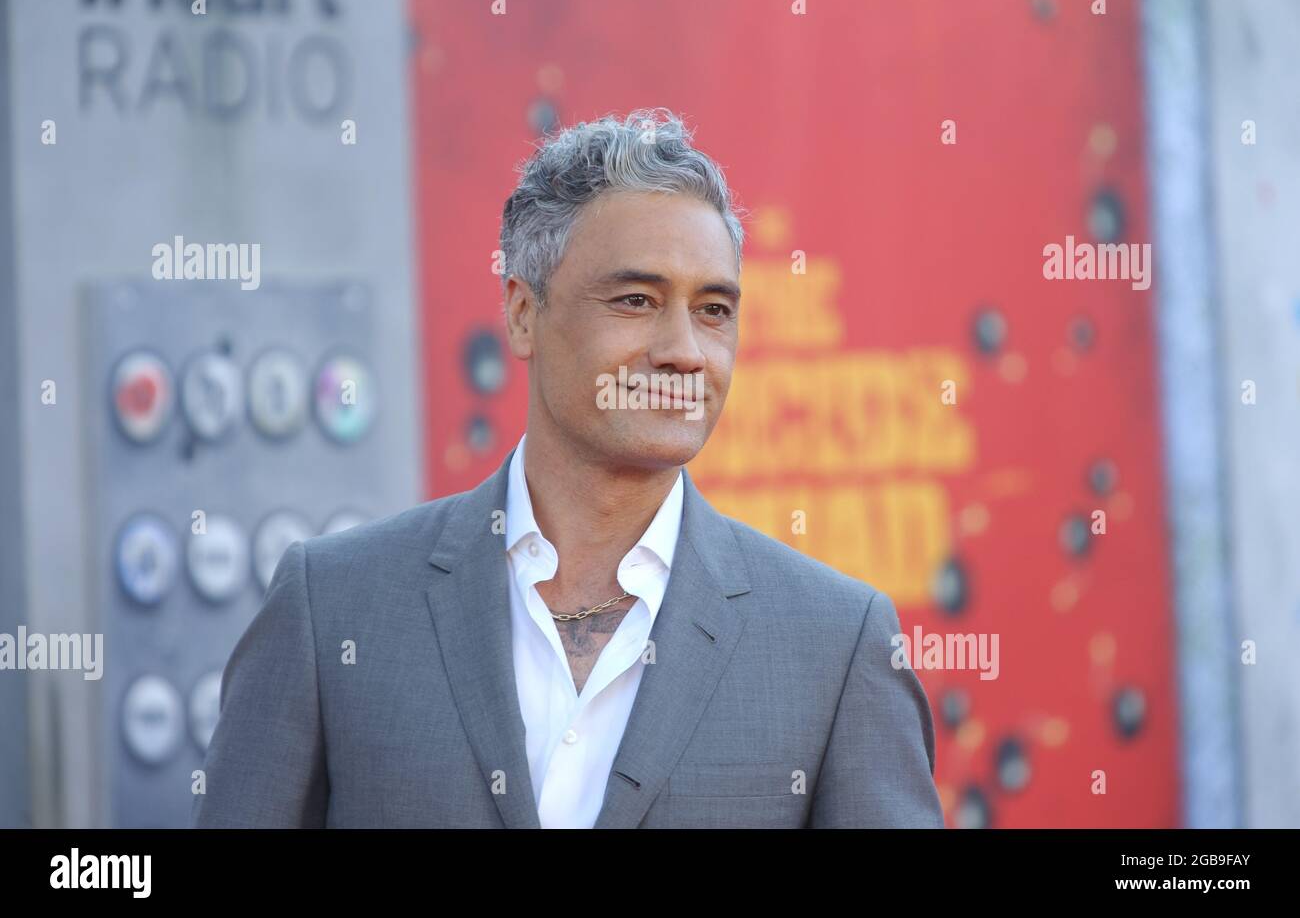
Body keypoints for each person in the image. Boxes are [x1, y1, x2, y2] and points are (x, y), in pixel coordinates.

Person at [192, 108, 944, 828]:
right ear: (523, 314)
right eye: (636, 300)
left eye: (713, 309)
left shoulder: (836, 644)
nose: (684, 349)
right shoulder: (334, 608)